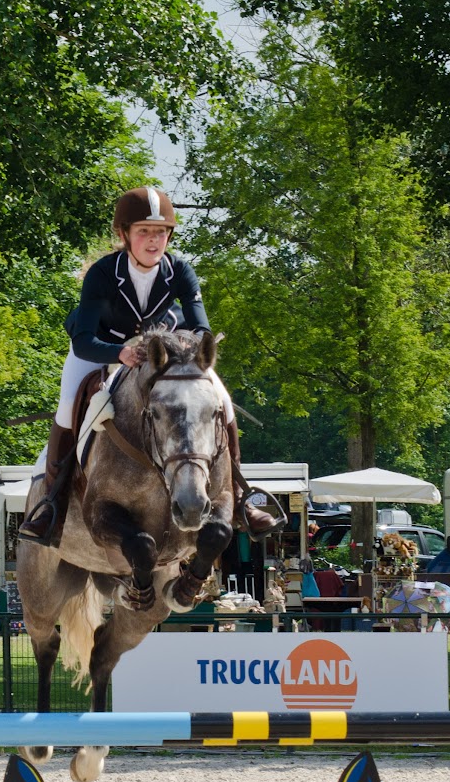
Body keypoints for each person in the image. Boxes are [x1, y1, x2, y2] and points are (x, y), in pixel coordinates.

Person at [17, 186, 284, 545]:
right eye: (144, 231)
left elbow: (201, 328)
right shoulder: (103, 273)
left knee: (221, 398)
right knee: (68, 407)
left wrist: (188, 350)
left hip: (164, 351)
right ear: (124, 233)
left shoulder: (180, 271)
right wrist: (119, 353)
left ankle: (240, 499)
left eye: (161, 232)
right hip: (101, 347)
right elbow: (83, 340)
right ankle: (52, 506)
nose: (154, 240)